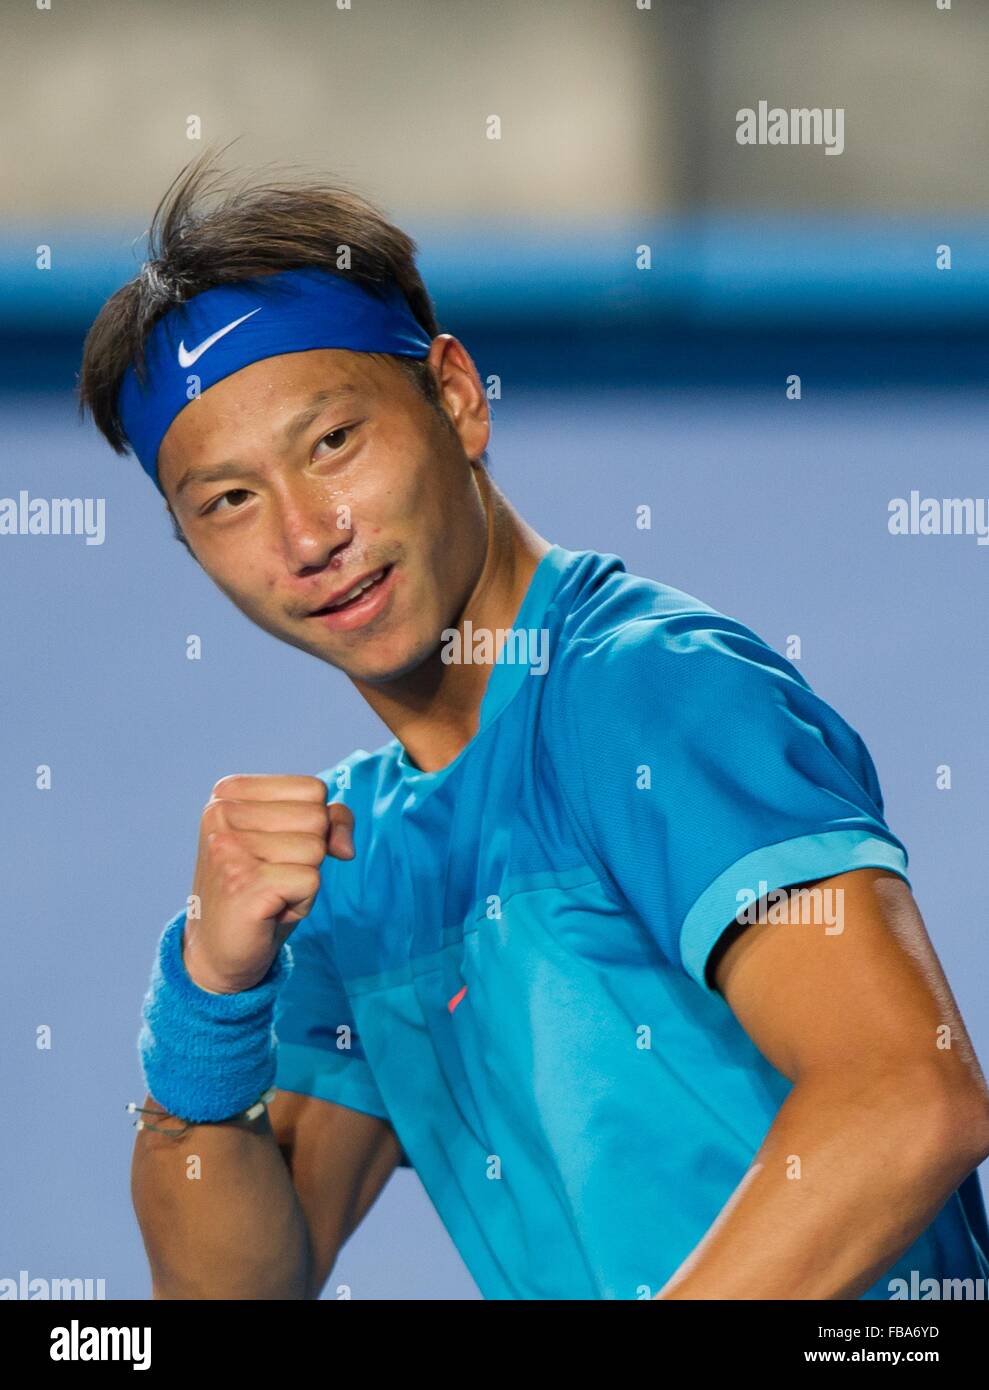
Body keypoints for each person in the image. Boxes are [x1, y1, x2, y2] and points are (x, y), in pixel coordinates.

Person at [78, 150, 989, 1300]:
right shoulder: (357, 864)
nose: (306, 536)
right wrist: (208, 998)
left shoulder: (650, 691)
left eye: (332, 443)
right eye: (229, 500)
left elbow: (906, 1099)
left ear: (455, 397)